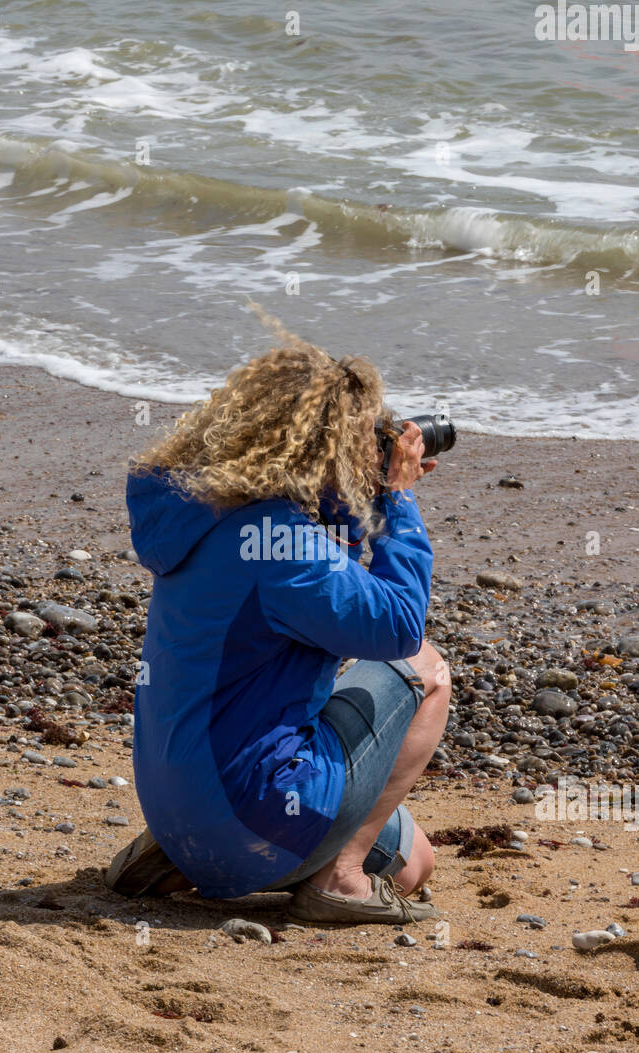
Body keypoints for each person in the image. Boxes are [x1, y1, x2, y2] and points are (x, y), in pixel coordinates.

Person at [105, 335, 452, 924]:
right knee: (428, 668)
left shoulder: (209, 510)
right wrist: (398, 502)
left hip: (176, 800)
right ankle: (340, 878)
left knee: (414, 859)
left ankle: (185, 856)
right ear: (329, 446)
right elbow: (396, 624)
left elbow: (313, 565)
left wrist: (349, 498)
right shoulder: (287, 547)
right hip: (253, 806)